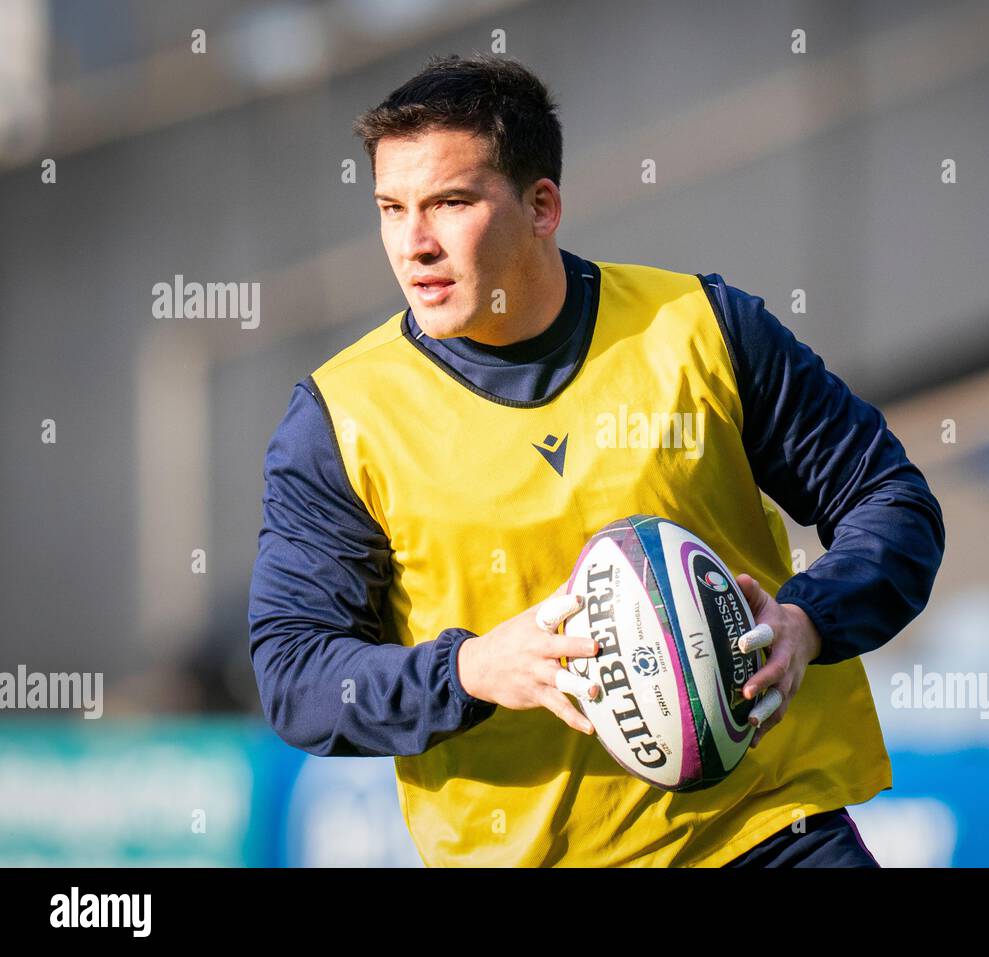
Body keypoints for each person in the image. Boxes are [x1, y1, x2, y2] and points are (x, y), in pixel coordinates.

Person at [248, 53, 945, 867]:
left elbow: (890, 499)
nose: (414, 244)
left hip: (769, 833)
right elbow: (296, 673)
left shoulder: (702, 329)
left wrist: (808, 621)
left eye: (450, 203)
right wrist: (471, 668)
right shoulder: (339, 418)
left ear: (542, 205)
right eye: (391, 208)